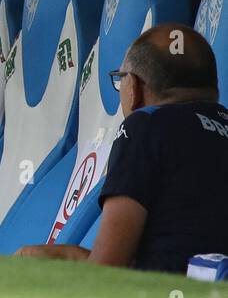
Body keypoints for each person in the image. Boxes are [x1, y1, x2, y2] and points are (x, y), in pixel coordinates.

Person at [17, 24, 228, 273]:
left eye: (121, 79)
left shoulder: (144, 127)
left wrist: (64, 255)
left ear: (134, 88)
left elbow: (107, 271)